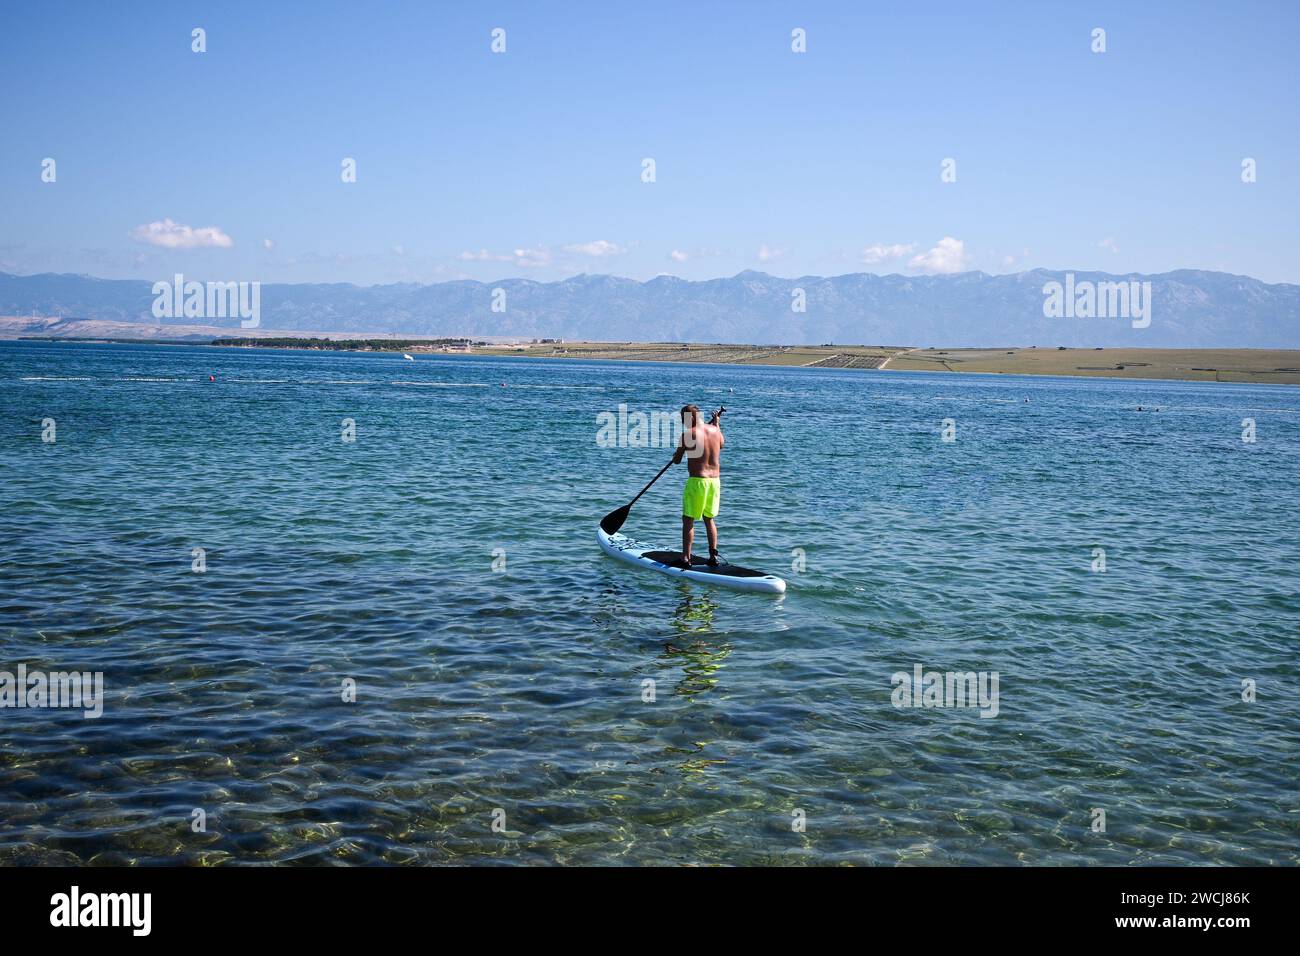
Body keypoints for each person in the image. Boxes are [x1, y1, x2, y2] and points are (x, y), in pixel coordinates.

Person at [671, 404, 724, 568]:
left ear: (690, 417)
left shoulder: (688, 434)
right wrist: (716, 423)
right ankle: (713, 556)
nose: (681, 421)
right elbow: (721, 444)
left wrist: (676, 454)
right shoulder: (715, 431)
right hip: (715, 482)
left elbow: (677, 460)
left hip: (697, 481)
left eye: (683, 418)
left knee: (688, 519)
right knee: (709, 519)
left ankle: (685, 559)